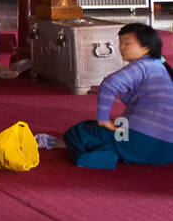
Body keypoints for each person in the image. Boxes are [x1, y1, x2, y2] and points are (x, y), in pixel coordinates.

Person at [63, 23, 173, 168]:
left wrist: (103, 120)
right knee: (115, 126)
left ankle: (105, 154)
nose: (121, 47)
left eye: (127, 43)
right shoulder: (161, 68)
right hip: (166, 152)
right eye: (120, 42)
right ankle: (116, 150)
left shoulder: (142, 66)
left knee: (79, 130)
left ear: (146, 48)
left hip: (138, 142)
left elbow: (109, 85)